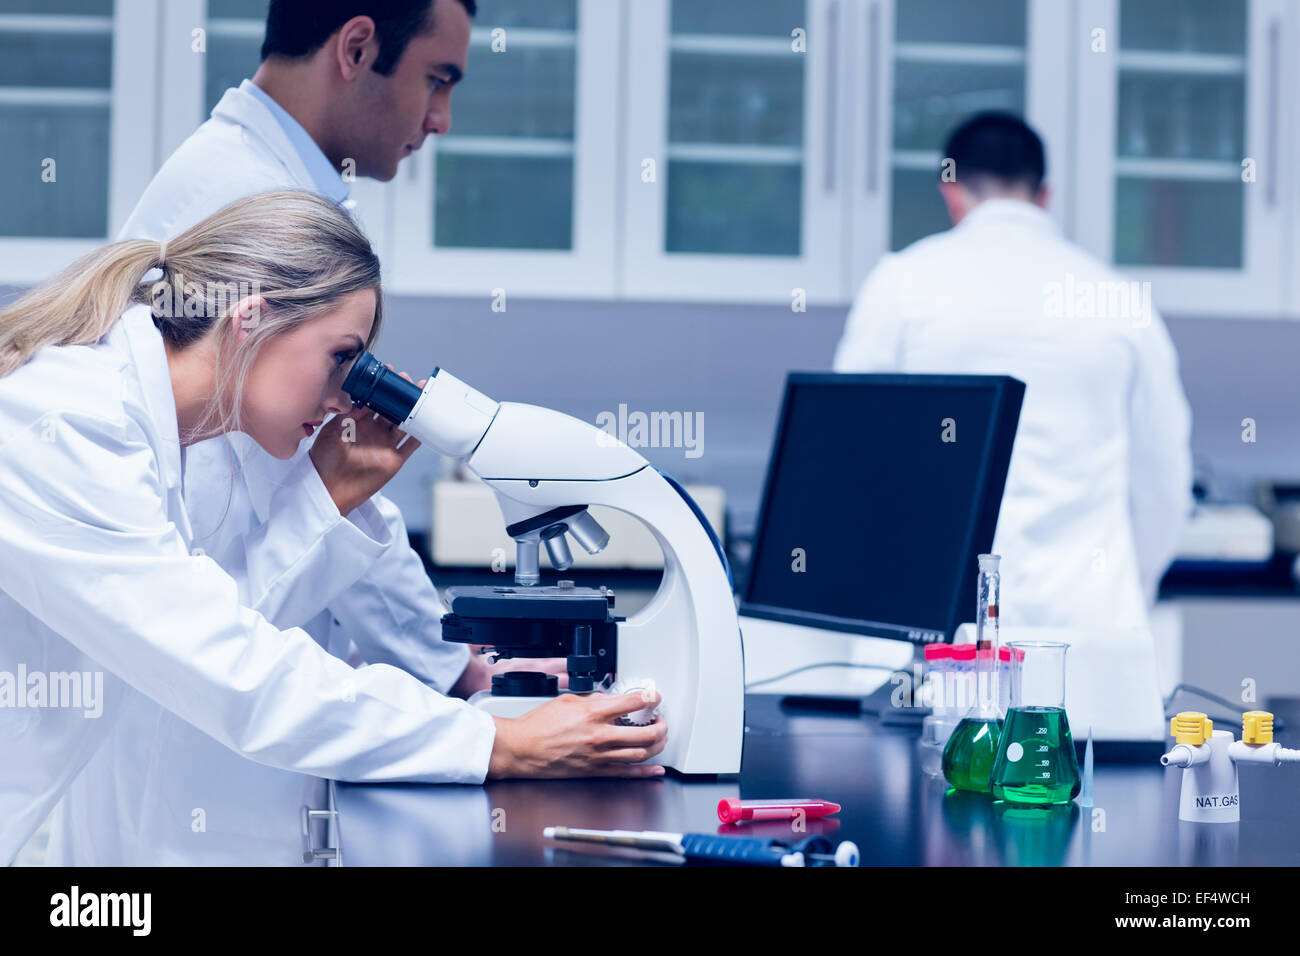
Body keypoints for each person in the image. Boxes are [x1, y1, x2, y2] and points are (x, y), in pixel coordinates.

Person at [0, 190, 667, 867]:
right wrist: (500, 744)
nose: (345, 394)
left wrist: (464, 684)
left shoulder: (156, 420)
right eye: (341, 357)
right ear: (250, 319)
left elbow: (218, 622)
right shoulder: (72, 425)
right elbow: (232, 669)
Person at [41, 0, 554, 865]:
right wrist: (478, 717)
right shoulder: (247, 201)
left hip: (218, 715)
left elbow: (310, 486)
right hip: (184, 768)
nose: (441, 119)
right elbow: (238, 588)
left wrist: (448, 670)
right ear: (357, 46)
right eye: (437, 80)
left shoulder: (262, 182)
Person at [833, 112, 1192, 631]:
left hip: (932, 632)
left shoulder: (901, 285)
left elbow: (848, 457)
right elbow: (1163, 481)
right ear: (1044, 195)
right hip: (1086, 626)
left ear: (951, 191)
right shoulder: (1118, 300)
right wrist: (1128, 589)